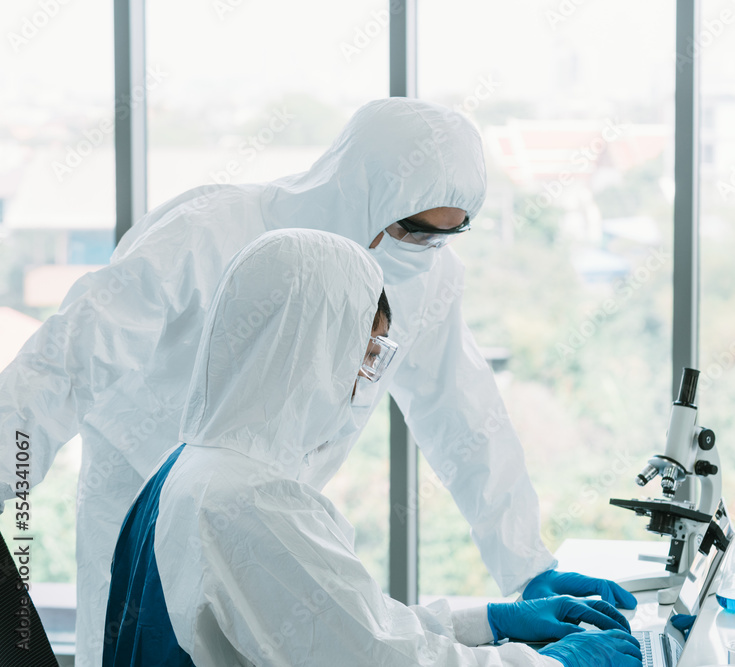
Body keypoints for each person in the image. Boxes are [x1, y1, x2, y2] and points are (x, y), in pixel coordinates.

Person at [0, 98, 635, 665]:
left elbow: (464, 415)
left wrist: (521, 572)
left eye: (448, 235)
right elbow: (64, 364)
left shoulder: (423, 272)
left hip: (244, 496)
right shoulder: (209, 234)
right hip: (154, 495)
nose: (424, 251)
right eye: (414, 228)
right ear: (362, 191)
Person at [102, 229, 641, 667]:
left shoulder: (188, 466)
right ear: (307, 351)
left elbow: (352, 626)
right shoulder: (250, 502)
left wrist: (490, 621)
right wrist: (558, 665)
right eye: (364, 353)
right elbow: (377, 660)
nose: (364, 379)